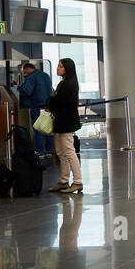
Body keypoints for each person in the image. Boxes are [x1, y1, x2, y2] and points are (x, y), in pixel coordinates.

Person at [46, 57, 83, 194]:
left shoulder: (69, 84)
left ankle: (78, 181)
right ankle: (64, 180)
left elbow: (57, 101)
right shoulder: (64, 83)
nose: (57, 68)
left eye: (61, 66)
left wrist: (51, 99)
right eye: (58, 65)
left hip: (66, 122)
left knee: (69, 151)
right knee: (61, 152)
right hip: (61, 122)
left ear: (68, 68)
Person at [17, 60, 52, 157]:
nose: (24, 73)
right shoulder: (45, 75)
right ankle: (49, 151)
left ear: (28, 69)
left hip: (36, 106)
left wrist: (19, 87)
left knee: (37, 129)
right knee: (47, 128)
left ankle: (40, 151)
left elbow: (27, 91)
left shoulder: (31, 77)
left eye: (24, 71)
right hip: (48, 106)